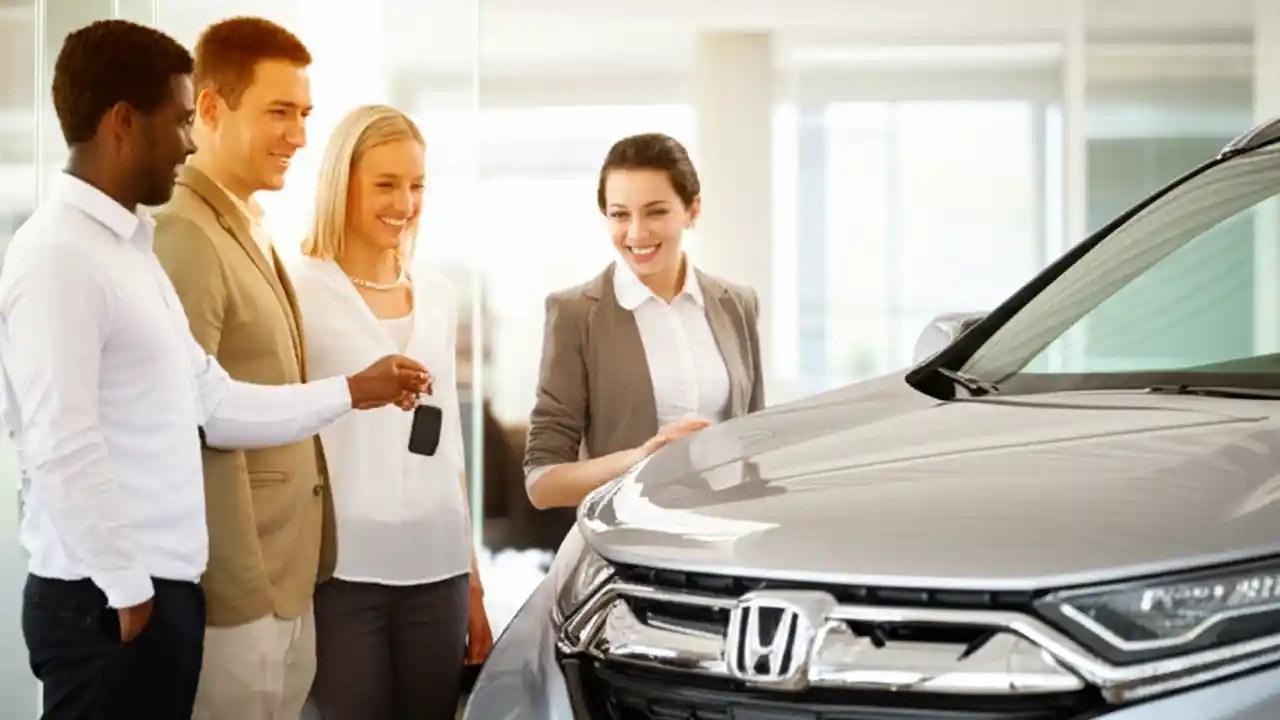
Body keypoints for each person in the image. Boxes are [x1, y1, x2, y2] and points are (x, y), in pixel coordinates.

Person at [0, 20, 429, 720]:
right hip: (107, 601)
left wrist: (352, 391)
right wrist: (126, 590)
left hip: (159, 594)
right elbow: (58, 442)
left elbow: (213, 400)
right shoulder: (57, 255)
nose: (189, 141)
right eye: (177, 121)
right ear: (121, 123)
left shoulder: (129, 250)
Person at [290, 105, 493, 720]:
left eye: (416, 185)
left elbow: (447, 442)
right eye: (386, 184)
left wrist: (474, 580)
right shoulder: (298, 288)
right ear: (340, 182)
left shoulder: (437, 292)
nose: (405, 202)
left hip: (437, 567)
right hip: (343, 571)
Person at [149, 17, 327, 719]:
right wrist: (243, 593)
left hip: (287, 574)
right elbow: (187, 425)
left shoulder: (247, 221)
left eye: (305, 114)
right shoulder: (184, 231)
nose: (299, 135)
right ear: (213, 109)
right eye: (279, 111)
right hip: (239, 591)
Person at [523, 132, 766, 510]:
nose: (636, 233)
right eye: (620, 214)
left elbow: (753, 442)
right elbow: (542, 484)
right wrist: (642, 458)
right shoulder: (575, 314)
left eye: (656, 211)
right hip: (630, 547)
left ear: (692, 209)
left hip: (725, 538)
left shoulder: (737, 305)